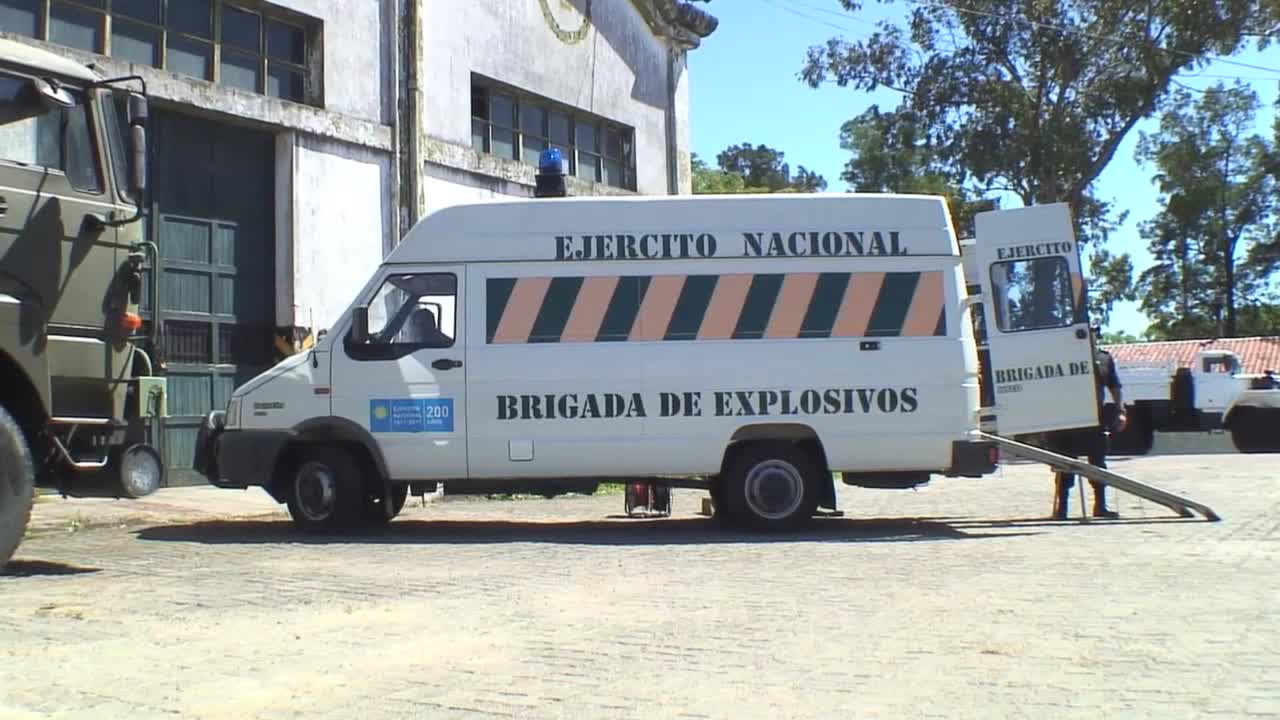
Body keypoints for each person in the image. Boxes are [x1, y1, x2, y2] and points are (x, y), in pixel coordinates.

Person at [1045, 327, 1126, 520]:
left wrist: (1121, 411)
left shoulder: (1104, 358)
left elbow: (1114, 386)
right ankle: (1061, 509)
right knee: (1065, 466)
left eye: (1092, 333)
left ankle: (1100, 506)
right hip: (1067, 420)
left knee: (1098, 464)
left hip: (1094, 420)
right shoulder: (1062, 356)